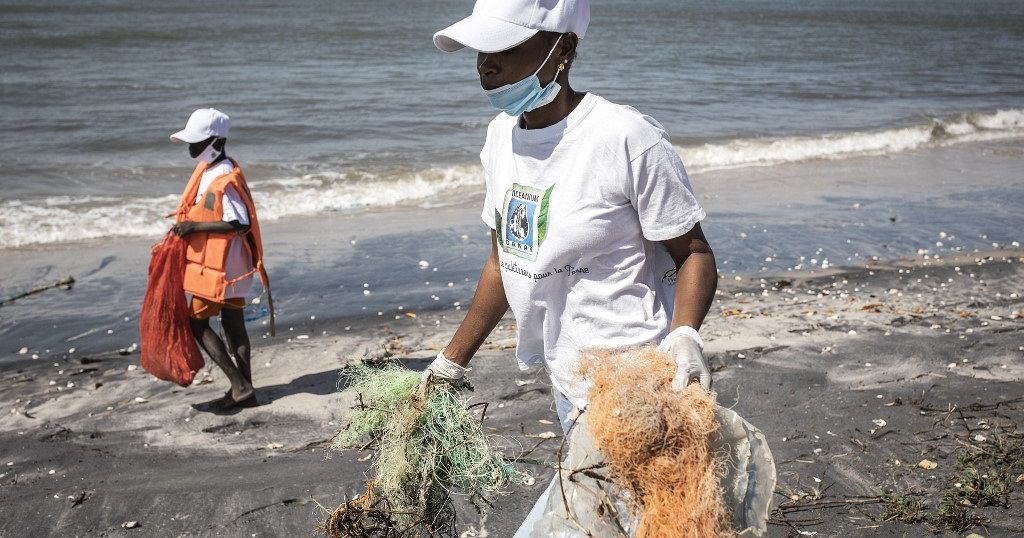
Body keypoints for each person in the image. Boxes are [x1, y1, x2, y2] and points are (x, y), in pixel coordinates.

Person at [426, 0, 719, 534]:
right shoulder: (501, 136)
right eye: (479, 50)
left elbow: (693, 251)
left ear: (563, 47)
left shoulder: (626, 138)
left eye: (502, 47)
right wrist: (452, 361)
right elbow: (504, 260)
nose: (484, 64)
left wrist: (685, 337)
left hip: (636, 387)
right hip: (566, 380)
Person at [168, 108, 272, 410]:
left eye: (196, 142)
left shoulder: (223, 177)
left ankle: (240, 385)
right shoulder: (210, 168)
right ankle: (246, 392)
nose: (191, 148)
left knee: (196, 324)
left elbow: (239, 222)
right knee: (232, 323)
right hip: (229, 264)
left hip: (223, 267)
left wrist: (194, 227)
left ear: (215, 141)